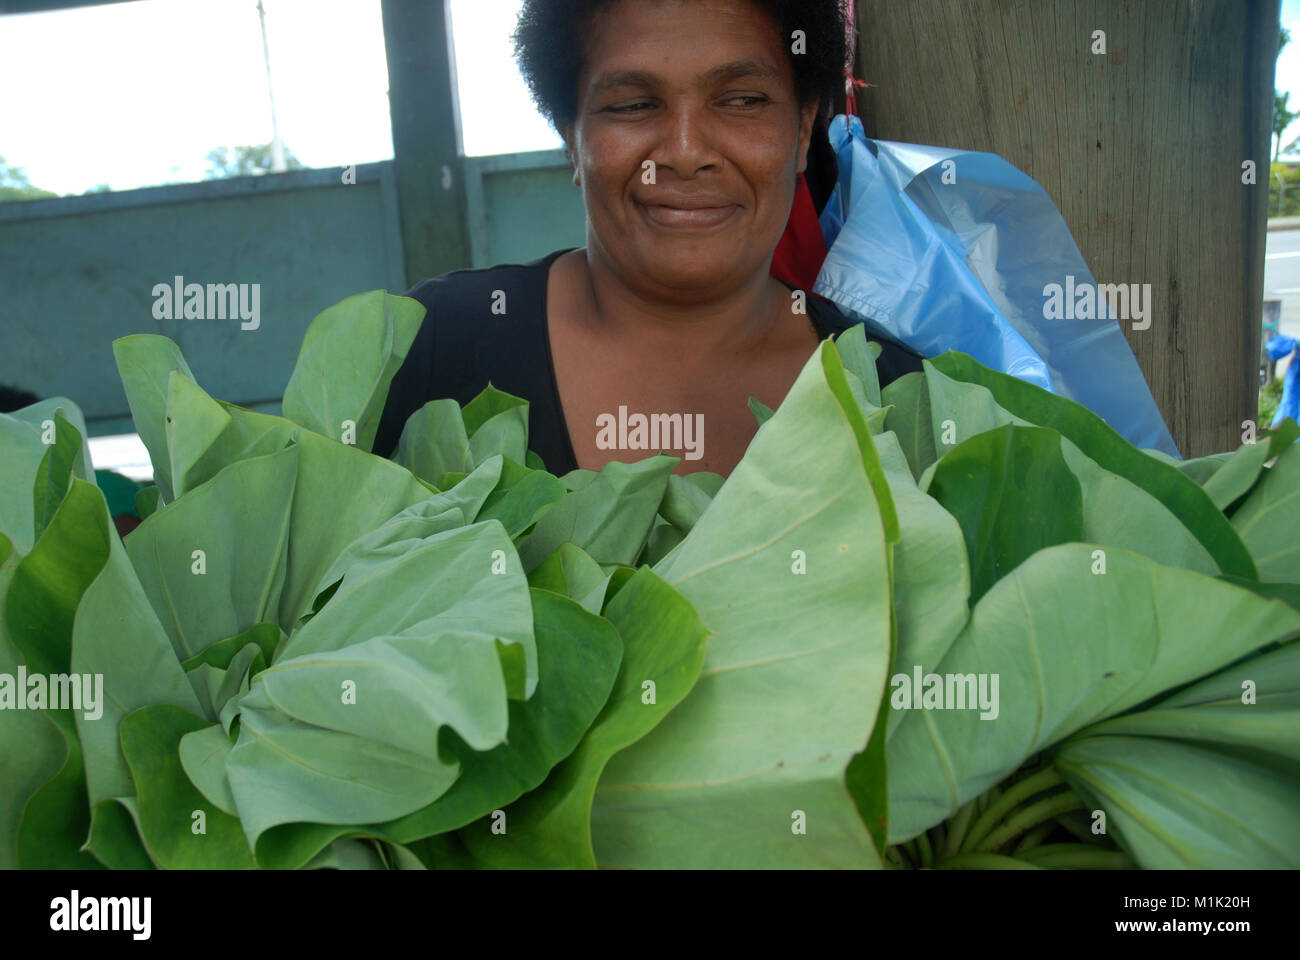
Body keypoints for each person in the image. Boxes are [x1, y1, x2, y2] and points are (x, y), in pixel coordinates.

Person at [375, 0, 923, 477]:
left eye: (740, 100)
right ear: (572, 137)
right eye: (633, 104)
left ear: (803, 131)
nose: (685, 154)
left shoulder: (905, 398)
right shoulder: (425, 349)